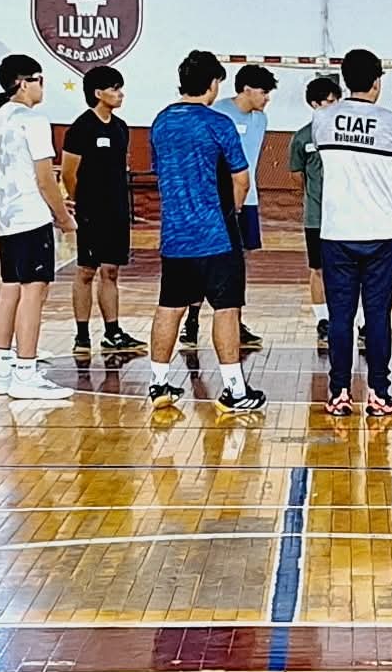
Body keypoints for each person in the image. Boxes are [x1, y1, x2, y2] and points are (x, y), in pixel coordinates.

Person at [147, 50, 265, 413]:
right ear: (214, 84)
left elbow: (160, 171)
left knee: (170, 306)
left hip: (175, 236)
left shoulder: (161, 122)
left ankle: (158, 384)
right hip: (217, 232)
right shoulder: (218, 123)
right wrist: (233, 213)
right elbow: (241, 180)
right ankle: (234, 390)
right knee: (226, 309)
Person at [313, 49, 392, 417]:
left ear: (343, 80)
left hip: (337, 231)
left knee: (340, 317)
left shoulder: (322, 119)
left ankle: (339, 392)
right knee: (377, 316)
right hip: (383, 231)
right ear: (377, 82)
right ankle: (378, 394)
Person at [0, 55, 77, 400]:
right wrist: (63, 217)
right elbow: (44, 177)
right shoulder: (34, 121)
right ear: (23, 82)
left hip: (5, 217)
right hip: (31, 217)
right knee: (33, 292)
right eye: (39, 79)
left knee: (10, 289)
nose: (42, 86)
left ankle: (0, 371)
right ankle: (26, 372)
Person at [179, 63, 277, 350]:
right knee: (202, 260)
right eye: (263, 91)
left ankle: (236, 321)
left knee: (238, 263)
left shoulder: (261, 119)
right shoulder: (217, 113)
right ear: (246, 89)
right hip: (215, 200)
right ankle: (192, 320)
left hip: (247, 199)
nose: (267, 97)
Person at [60, 65, 144, 355]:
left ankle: (113, 332)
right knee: (86, 270)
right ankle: (82, 335)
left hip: (117, 210)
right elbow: (69, 173)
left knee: (111, 271)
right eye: (114, 88)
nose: (120, 94)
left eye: (120, 88)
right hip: (90, 211)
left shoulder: (120, 128)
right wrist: (78, 202)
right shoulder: (81, 128)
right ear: (98, 93)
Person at [289, 75, 343, 349]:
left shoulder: (346, 134)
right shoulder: (302, 137)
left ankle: (354, 320)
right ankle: (323, 319)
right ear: (313, 104)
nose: (332, 107)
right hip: (316, 217)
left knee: (349, 269)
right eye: (326, 102)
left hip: (346, 216)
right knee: (318, 269)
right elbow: (298, 176)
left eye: (336, 101)